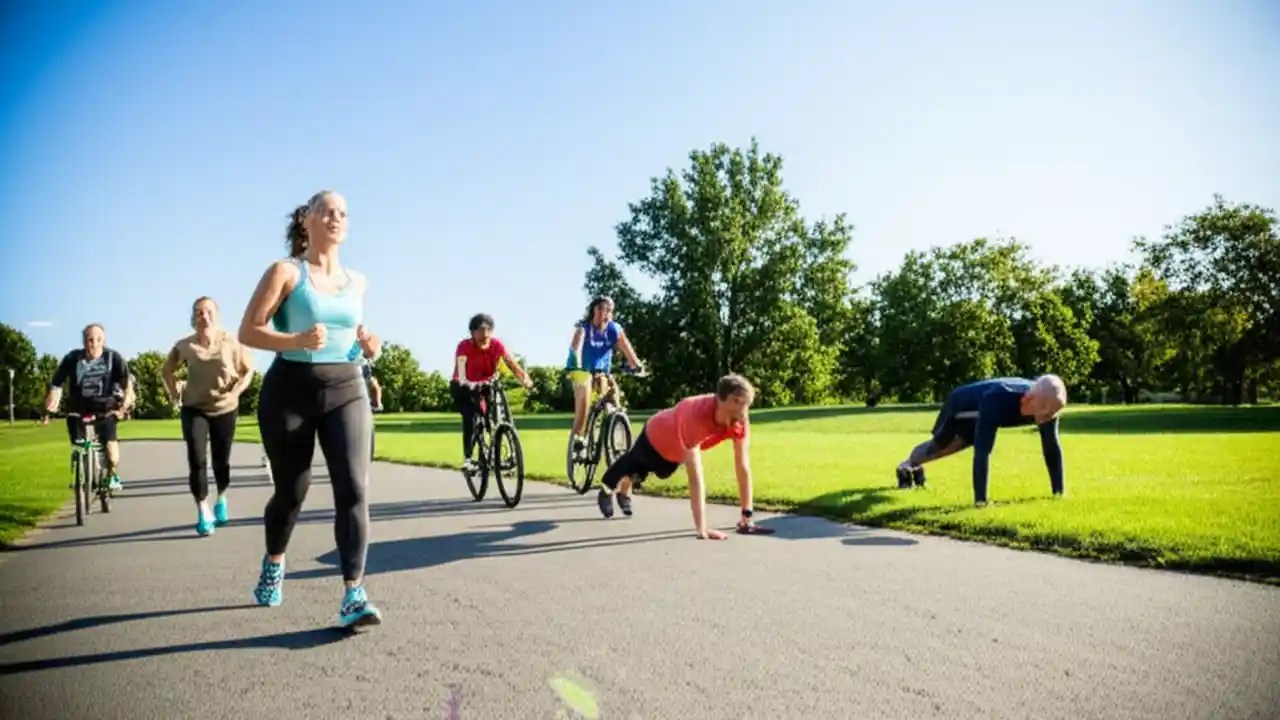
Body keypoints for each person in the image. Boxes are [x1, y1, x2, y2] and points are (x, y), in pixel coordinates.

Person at [237, 189, 383, 629]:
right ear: (307, 220)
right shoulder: (285, 272)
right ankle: (275, 561)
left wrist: (371, 345)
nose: (336, 217)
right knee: (291, 493)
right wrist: (295, 341)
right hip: (290, 390)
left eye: (343, 212)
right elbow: (249, 330)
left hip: (347, 386)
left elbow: (356, 334)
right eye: (326, 211)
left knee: (354, 489)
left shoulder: (358, 281)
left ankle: (353, 593)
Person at [595, 373, 774, 539]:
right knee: (634, 464)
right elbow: (695, 476)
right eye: (743, 405)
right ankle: (606, 489)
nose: (745, 413)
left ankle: (625, 489)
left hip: (675, 454)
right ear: (732, 401)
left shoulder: (739, 418)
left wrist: (747, 516)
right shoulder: (696, 415)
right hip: (655, 436)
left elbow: (742, 466)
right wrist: (701, 529)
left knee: (646, 474)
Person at [895, 375, 1068, 507]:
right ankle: (907, 465)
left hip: (982, 412)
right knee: (940, 447)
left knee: (962, 443)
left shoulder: (1048, 404)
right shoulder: (999, 399)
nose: (1049, 418)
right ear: (1028, 400)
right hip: (960, 407)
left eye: (1053, 414)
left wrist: (1058, 493)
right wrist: (981, 501)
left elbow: (1051, 447)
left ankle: (913, 466)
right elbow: (983, 451)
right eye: (1045, 414)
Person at [163, 296, 255, 537]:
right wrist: (174, 394)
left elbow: (248, 369)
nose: (203, 316)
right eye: (198, 312)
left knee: (221, 461)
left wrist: (237, 390)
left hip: (225, 408)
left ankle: (221, 498)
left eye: (208, 312)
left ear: (217, 315)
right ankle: (203, 510)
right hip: (194, 408)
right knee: (196, 457)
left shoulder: (231, 341)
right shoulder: (185, 345)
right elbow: (167, 369)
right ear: (193, 318)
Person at [44, 324, 131, 492]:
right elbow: (56, 383)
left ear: (103, 341)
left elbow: (127, 385)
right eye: (89, 340)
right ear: (84, 342)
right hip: (78, 409)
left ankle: (111, 474)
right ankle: (82, 475)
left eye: (98, 340)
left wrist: (124, 406)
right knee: (79, 446)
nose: (93, 344)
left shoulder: (113, 358)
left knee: (112, 456)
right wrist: (51, 402)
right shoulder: (72, 358)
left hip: (106, 409)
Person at [449, 313, 532, 475]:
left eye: (487, 336)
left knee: (492, 418)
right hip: (463, 386)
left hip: (486, 384)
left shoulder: (497, 345)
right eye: (480, 336)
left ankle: (496, 451)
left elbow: (511, 364)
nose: (484, 341)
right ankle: (468, 459)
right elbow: (461, 370)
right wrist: (466, 382)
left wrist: (525, 379)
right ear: (472, 333)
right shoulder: (464, 346)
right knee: (470, 417)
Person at [564, 295, 642, 459]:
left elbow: (627, 350)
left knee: (615, 397)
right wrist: (576, 367)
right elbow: (575, 349)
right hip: (582, 372)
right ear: (593, 311)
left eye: (608, 310)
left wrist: (636, 366)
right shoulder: (584, 329)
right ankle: (580, 442)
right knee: (583, 404)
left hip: (602, 373)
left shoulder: (614, 329)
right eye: (600, 309)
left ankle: (618, 437)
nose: (604, 313)